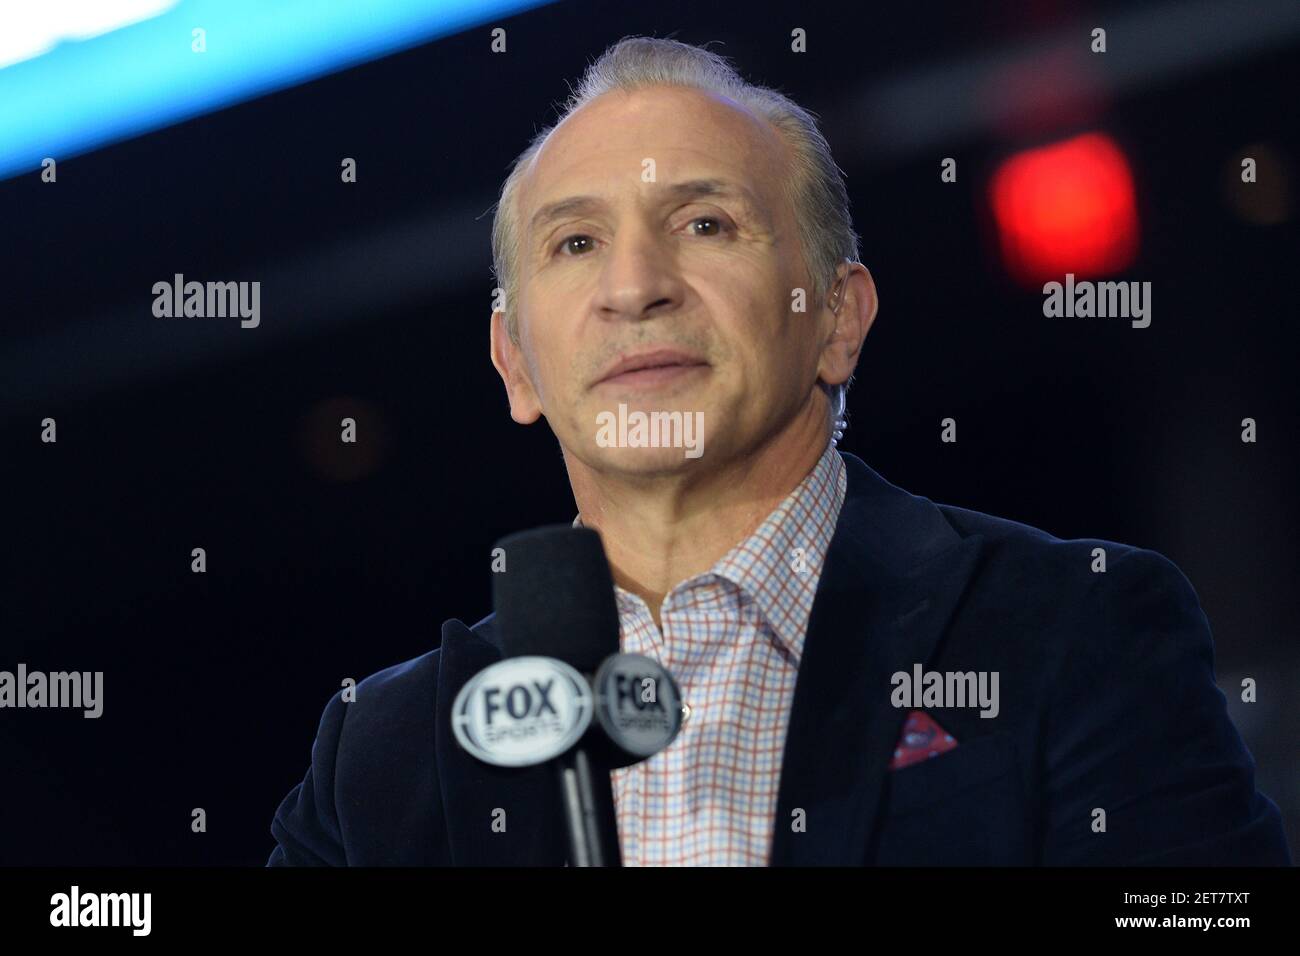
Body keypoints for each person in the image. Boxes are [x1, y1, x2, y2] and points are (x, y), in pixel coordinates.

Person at [267, 36, 1289, 866]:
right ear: (515, 363)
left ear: (836, 320)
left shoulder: (1073, 628)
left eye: (705, 222)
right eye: (575, 243)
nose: (634, 286)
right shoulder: (380, 751)